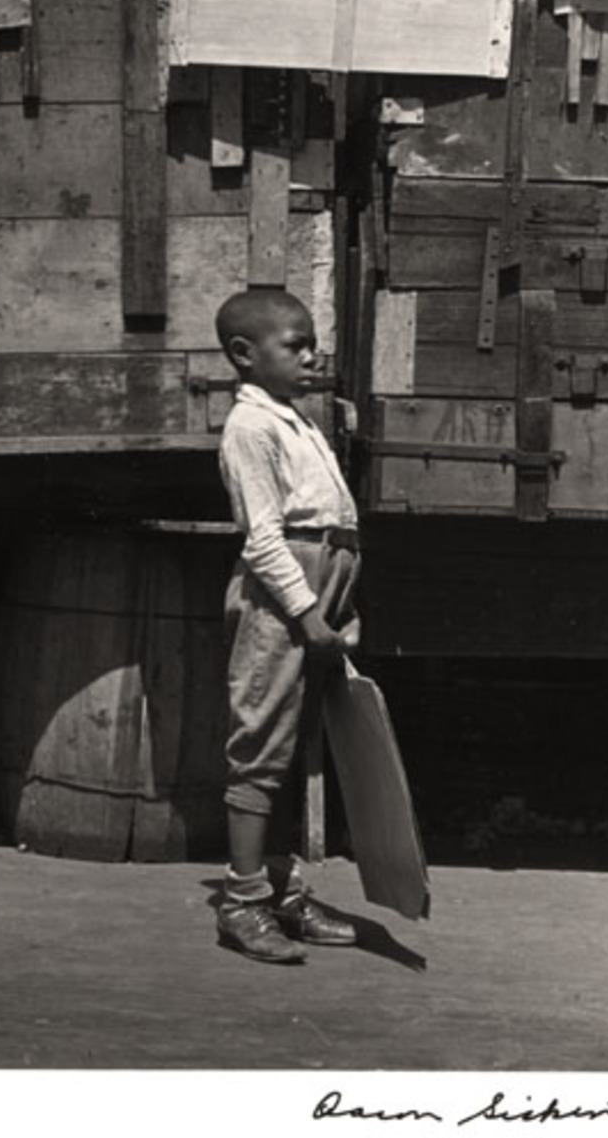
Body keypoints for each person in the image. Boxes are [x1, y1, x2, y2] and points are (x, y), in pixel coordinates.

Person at [211, 286, 363, 964]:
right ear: (246, 354)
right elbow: (264, 539)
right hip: (284, 596)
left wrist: (338, 603)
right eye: (294, 344)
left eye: (311, 341)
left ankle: (282, 890)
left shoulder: (295, 418)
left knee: (296, 742)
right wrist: (306, 611)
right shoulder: (250, 427)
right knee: (261, 740)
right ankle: (242, 902)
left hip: (322, 586)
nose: (311, 353)